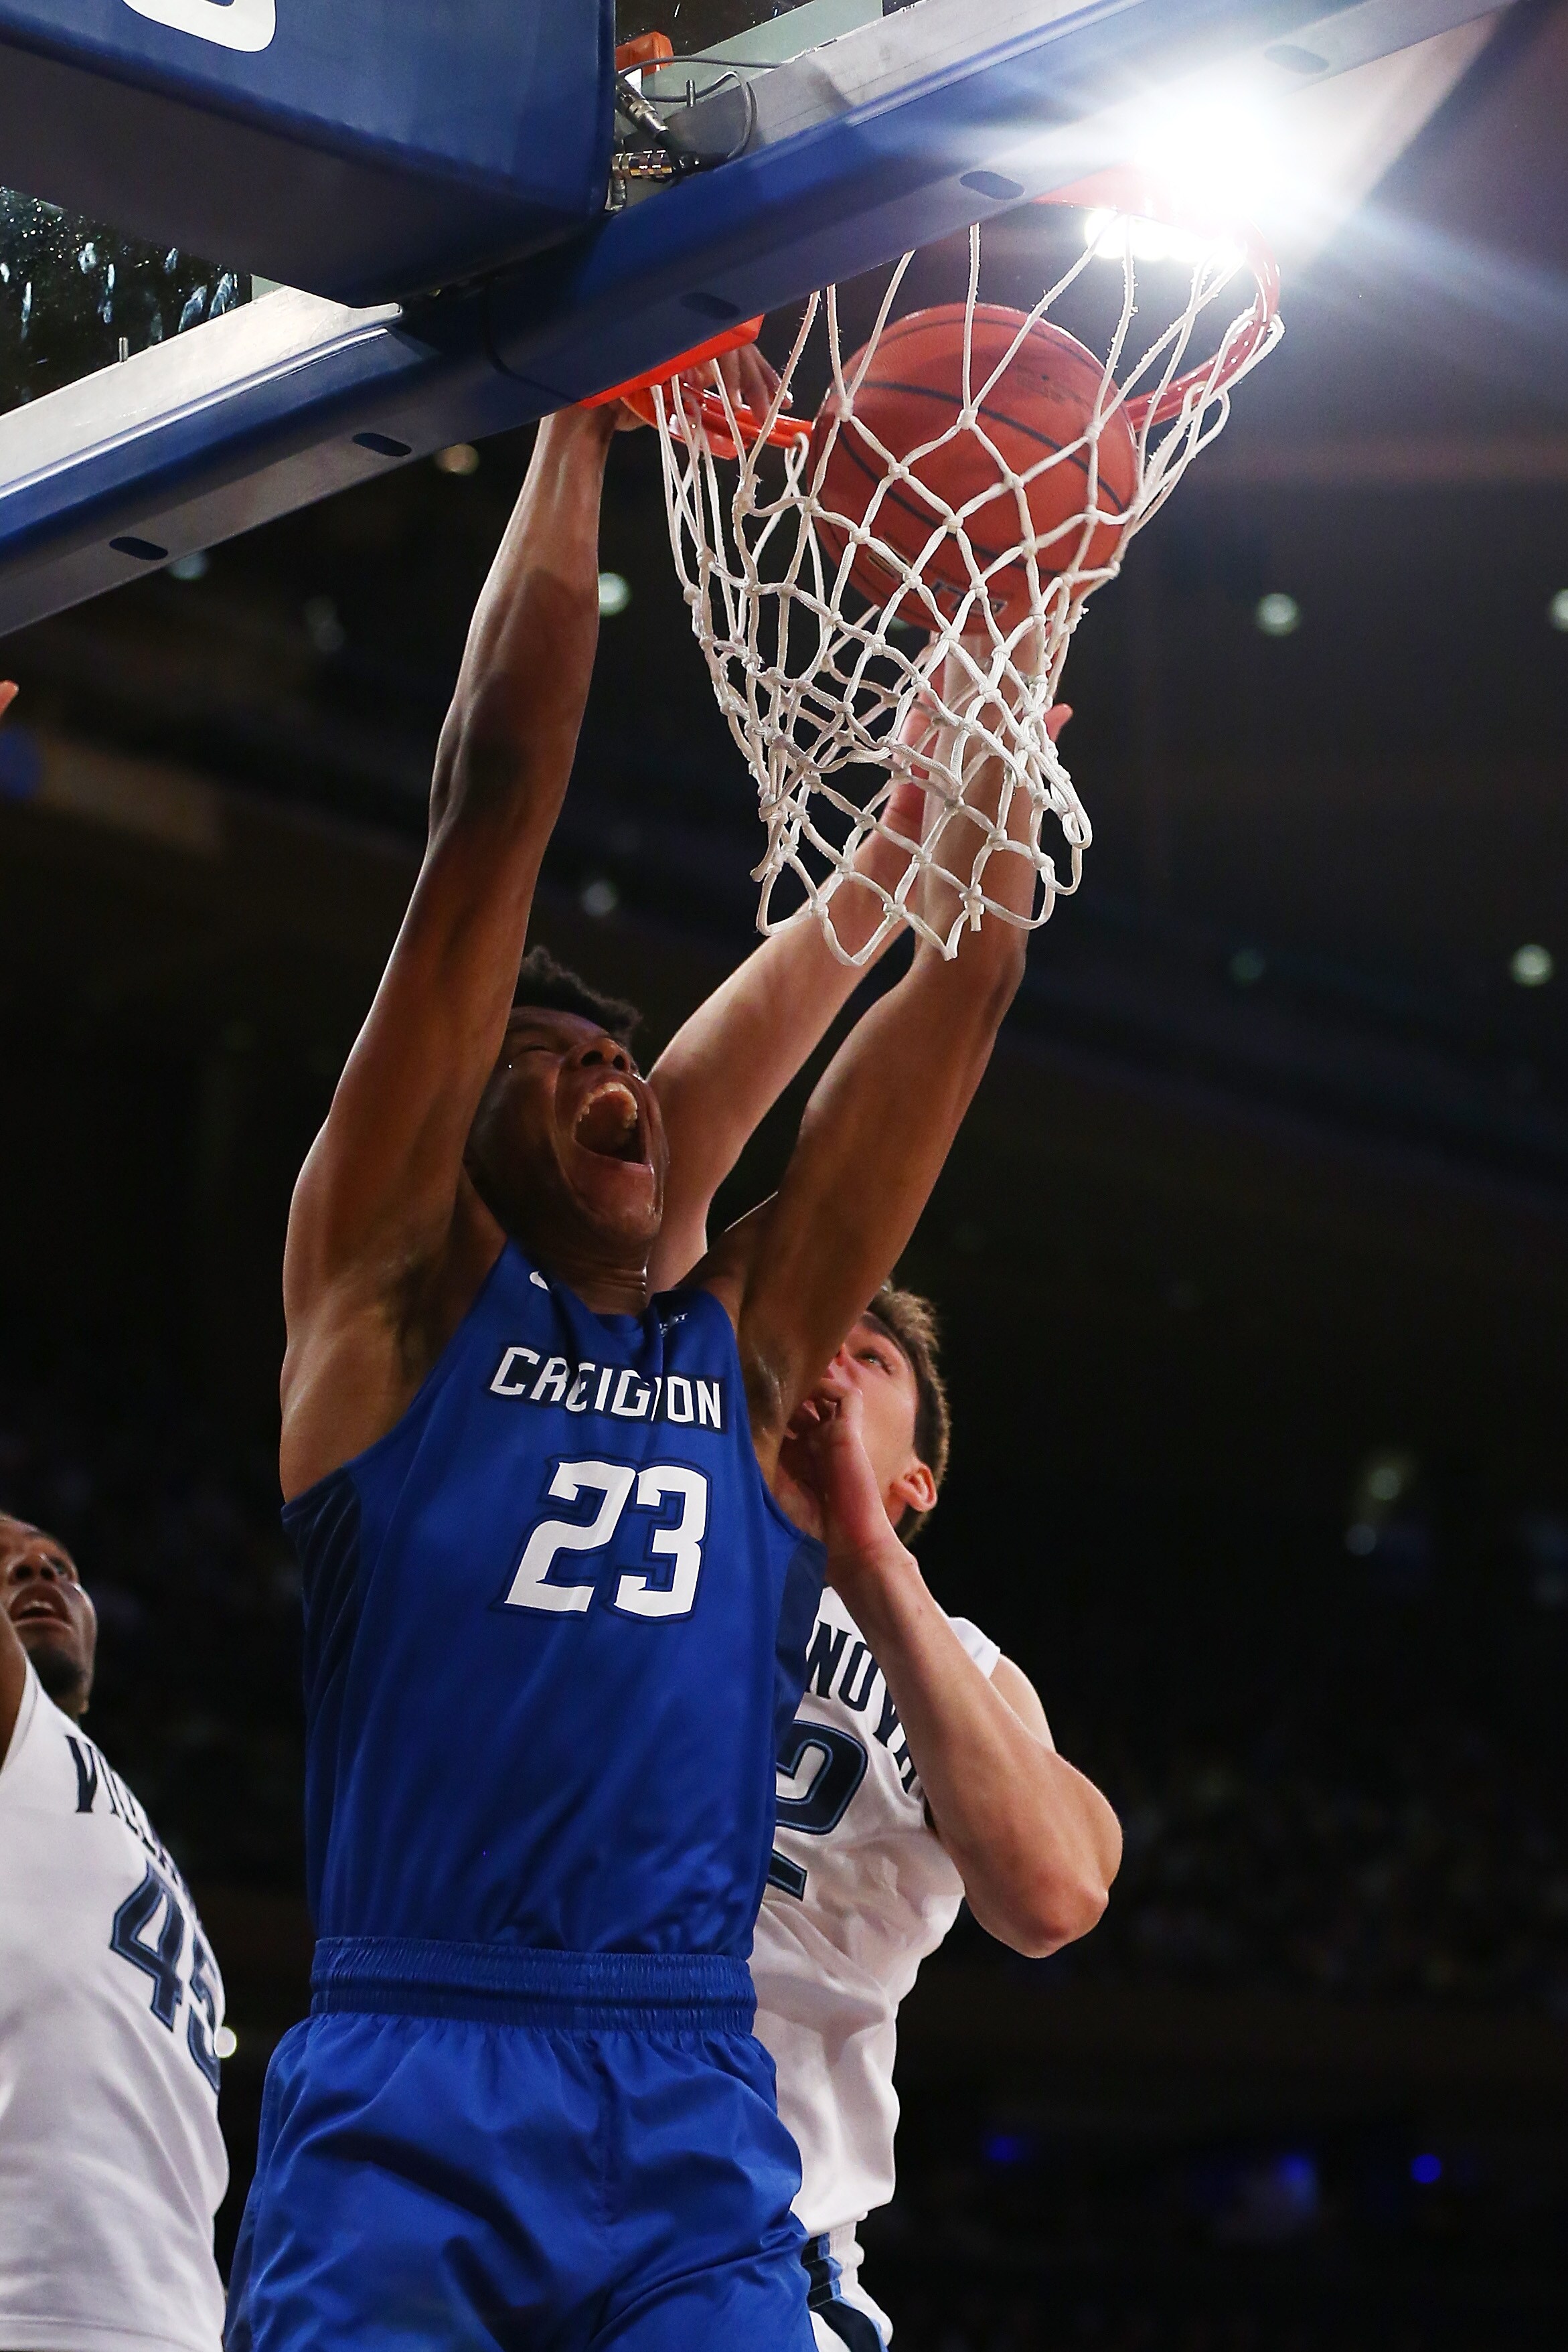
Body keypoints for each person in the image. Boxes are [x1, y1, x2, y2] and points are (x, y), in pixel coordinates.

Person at [228, 383, 1048, 2352]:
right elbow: (492, 809)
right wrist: (584, 430)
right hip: (415, 2076)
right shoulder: (390, 1313)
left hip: (686, 2109)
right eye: (554, 1060)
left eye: (621, 1058)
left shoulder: (749, 1354)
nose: (607, 1068)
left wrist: (1003, 677)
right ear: (468, 1151)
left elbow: (978, 976)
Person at [643, 875, 1121, 2351]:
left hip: (754, 2227)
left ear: (916, 1477)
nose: (830, 1361)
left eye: (869, 1350)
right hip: (526, 2126)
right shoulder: (645, 1493)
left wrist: (864, 1563)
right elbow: (686, 1179)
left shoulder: (958, 1664)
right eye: (812, 1331)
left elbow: (1051, 1894)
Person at [0, 1510, 229, 2352]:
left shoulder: (127, 1828)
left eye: (60, 1564)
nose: (35, 1572)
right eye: (6, 1563)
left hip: (178, 2319)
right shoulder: (18, 1743)